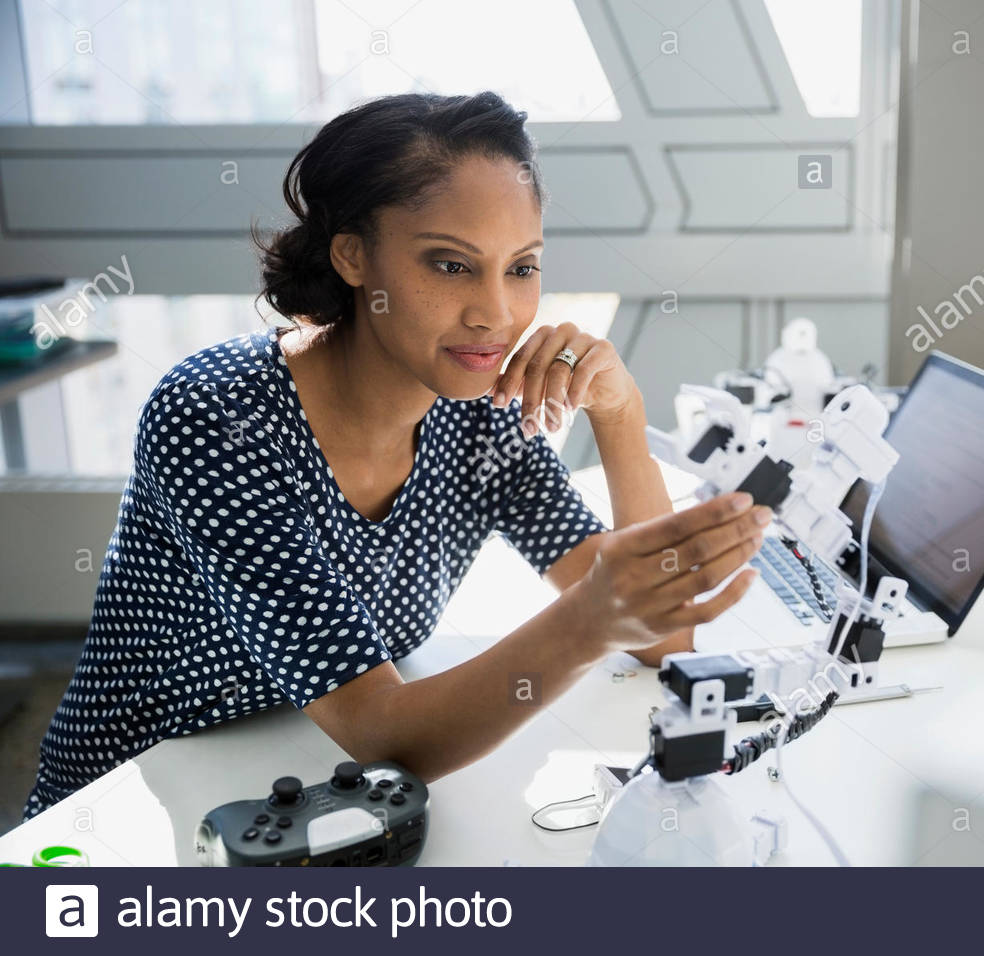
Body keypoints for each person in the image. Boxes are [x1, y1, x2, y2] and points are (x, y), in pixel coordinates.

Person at [22, 91, 769, 821]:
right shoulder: (217, 419)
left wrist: (619, 413)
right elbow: (379, 728)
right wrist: (589, 621)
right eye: (450, 265)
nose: (495, 314)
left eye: (521, 267)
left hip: (308, 786)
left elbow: (664, 635)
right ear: (352, 254)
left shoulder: (476, 414)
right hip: (133, 805)